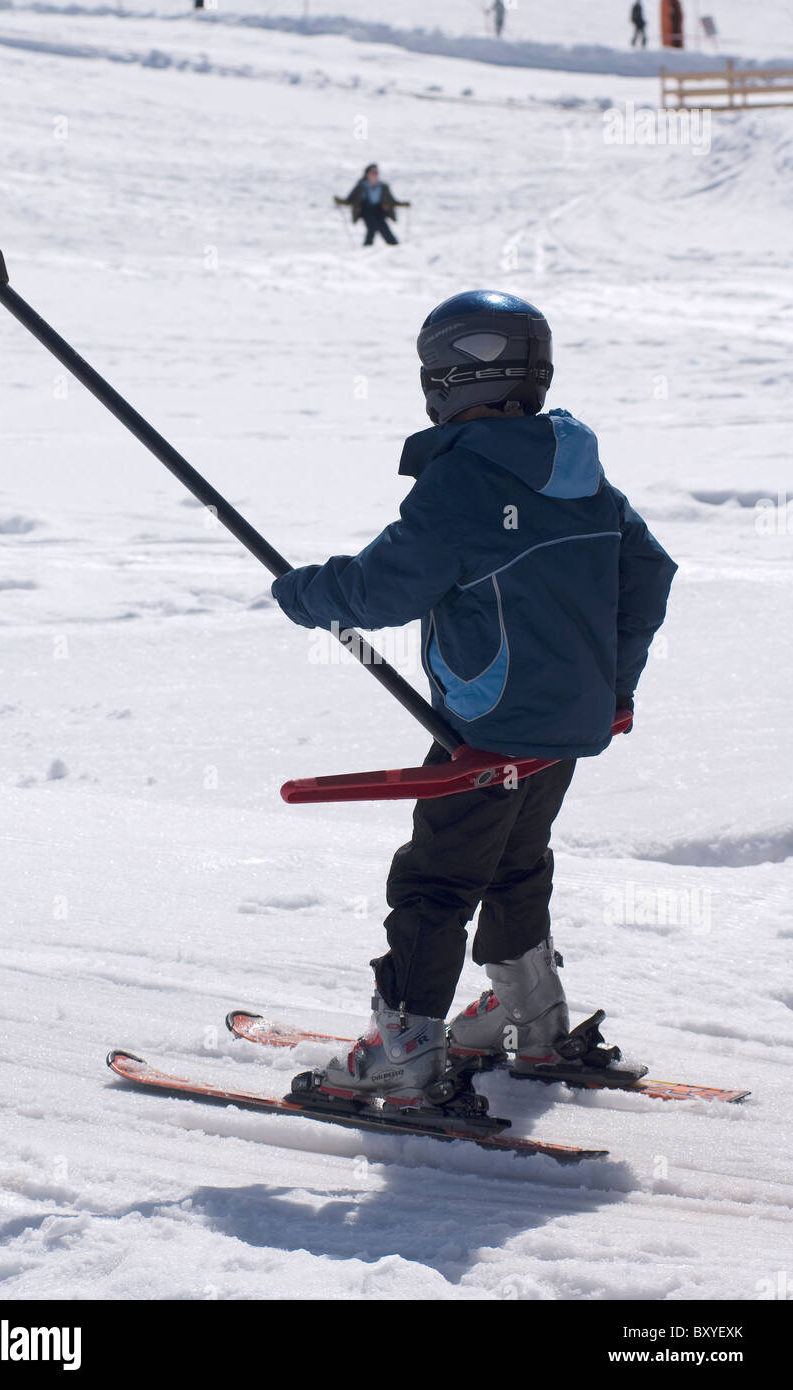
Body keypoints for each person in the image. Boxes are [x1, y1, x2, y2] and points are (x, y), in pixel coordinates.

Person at [272, 291, 676, 1108]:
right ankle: (532, 1015)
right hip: (563, 729)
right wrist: (611, 684)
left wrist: (307, 594)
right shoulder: (579, 469)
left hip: (485, 735)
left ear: (449, 376)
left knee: (434, 884)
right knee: (517, 862)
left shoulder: (463, 479)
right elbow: (648, 573)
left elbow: (383, 587)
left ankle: (404, 1052)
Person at [334, 164, 409, 247]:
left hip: (379, 211)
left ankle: (394, 245)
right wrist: (340, 202)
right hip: (366, 211)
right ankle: (368, 246)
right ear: (367, 174)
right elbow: (350, 200)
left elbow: (391, 201)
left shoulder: (383, 187)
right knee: (372, 226)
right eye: (373, 172)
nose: (375, 174)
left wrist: (403, 204)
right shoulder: (361, 186)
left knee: (383, 226)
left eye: (376, 172)